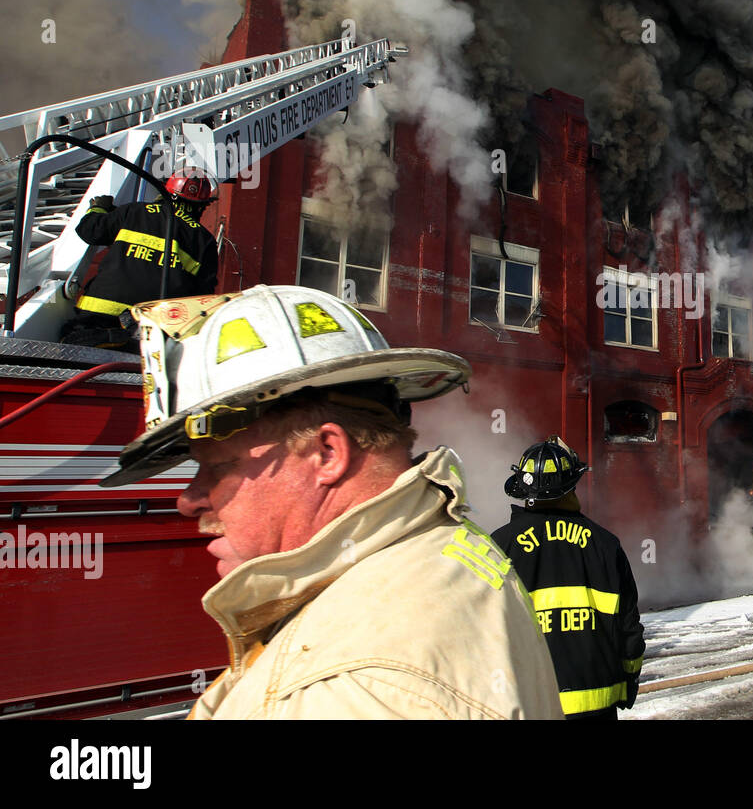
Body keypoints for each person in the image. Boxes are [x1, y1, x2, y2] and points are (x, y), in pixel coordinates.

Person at [99, 284, 564, 719]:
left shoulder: (357, 689)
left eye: (218, 467)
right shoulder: (429, 556)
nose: (188, 500)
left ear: (327, 454)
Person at [492, 437, 645, 720]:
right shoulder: (605, 545)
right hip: (597, 706)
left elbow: (485, 634)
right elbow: (629, 630)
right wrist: (628, 680)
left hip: (529, 705)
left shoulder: (500, 546)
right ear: (572, 486)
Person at [64, 168, 219, 348]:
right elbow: (202, 296)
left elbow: (90, 231)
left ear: (165, 192)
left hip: (97, 314)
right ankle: (124, 337)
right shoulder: (204, 240)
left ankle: (112, 335)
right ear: (201, 206)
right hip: (151, 327)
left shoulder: (134, 211)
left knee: (72, 339)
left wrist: (99, 208)